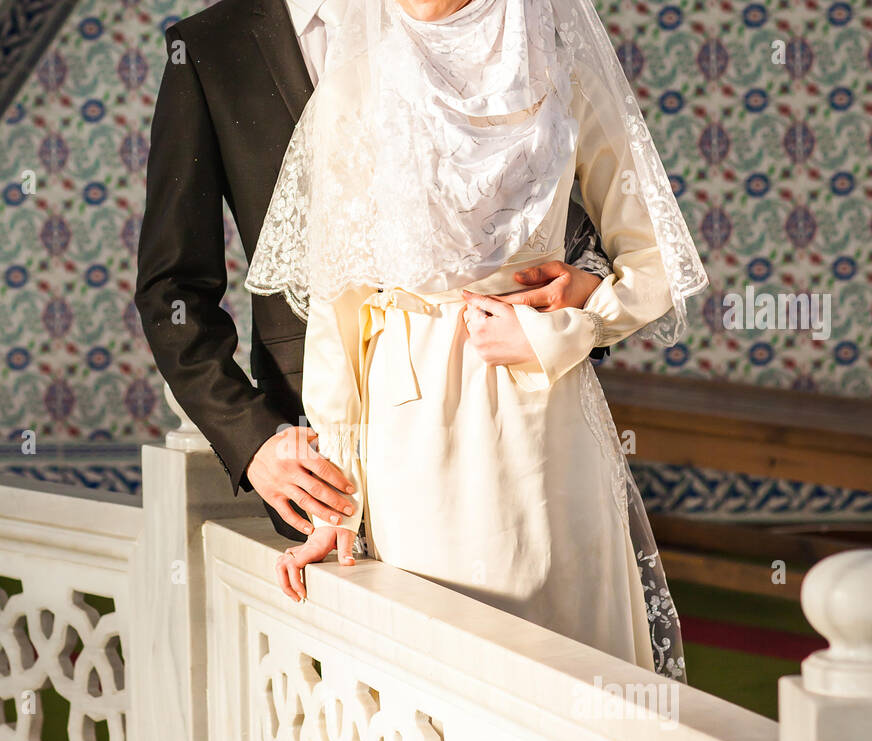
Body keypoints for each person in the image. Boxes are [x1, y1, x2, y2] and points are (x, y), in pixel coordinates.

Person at [245, 0, 708, 677]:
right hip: (411, 435)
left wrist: (570, 323)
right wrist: (333, 509)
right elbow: (337, 312)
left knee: (577, 684)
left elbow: (658, 260)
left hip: (548, 426)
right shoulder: (361, 68)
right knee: (441, 690)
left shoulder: (555, 45)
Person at [134, 0, 613, 546]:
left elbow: (538, 212)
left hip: (499, 408)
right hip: (320, 451)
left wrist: (588, 292)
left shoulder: (467, 13)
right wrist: (252, 438)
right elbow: (171, 288)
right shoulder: (208, 47)